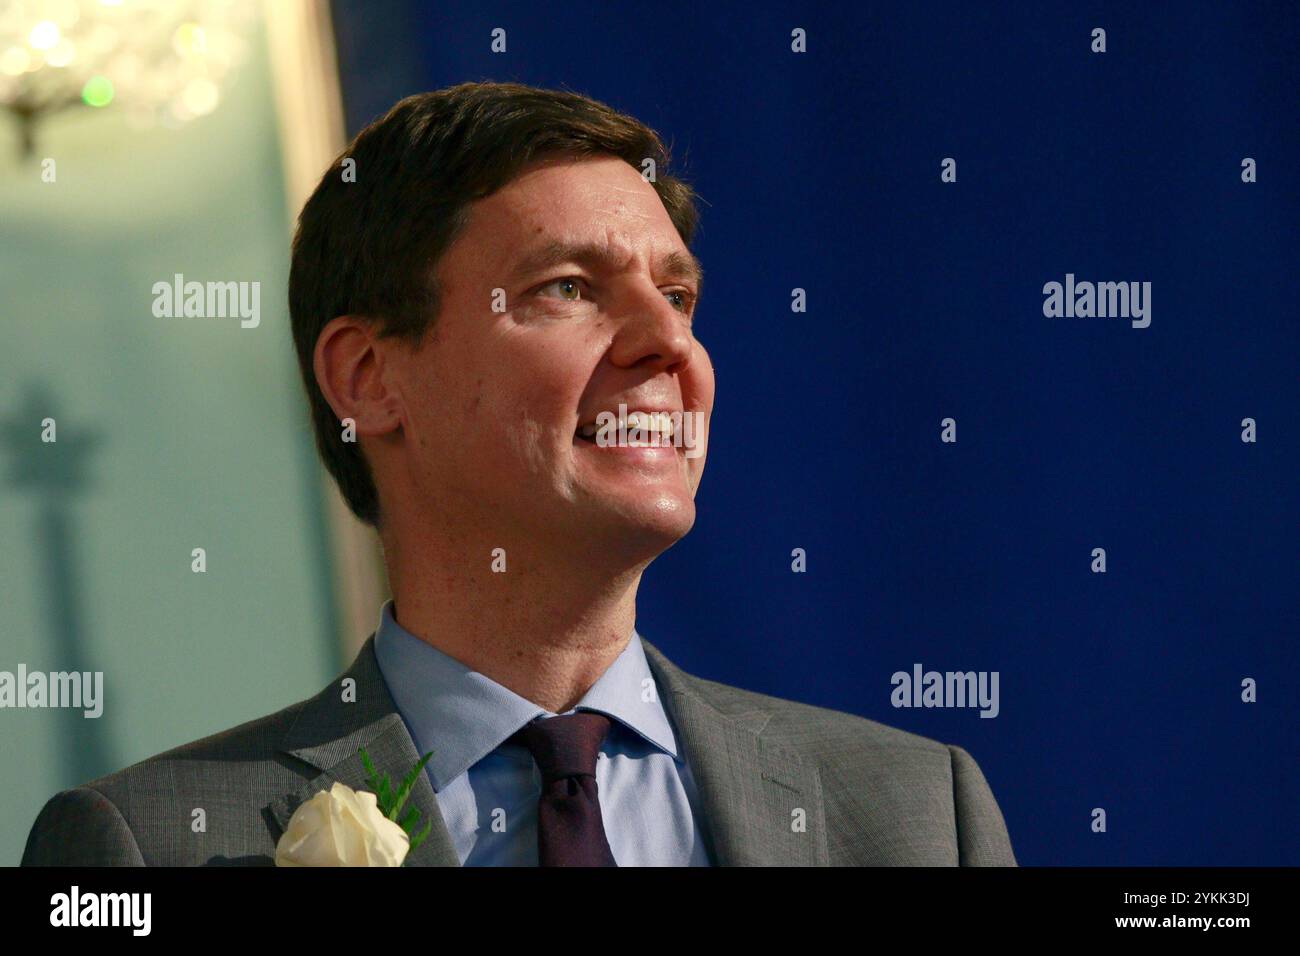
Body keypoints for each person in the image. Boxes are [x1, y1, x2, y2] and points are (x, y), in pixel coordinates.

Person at [22, 81, 1015, 866]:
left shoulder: (921, 811)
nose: (668, 342)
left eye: (677, 293)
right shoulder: (148, 844)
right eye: (569, 287)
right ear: (368, 378)